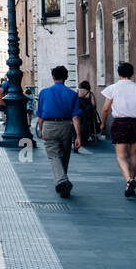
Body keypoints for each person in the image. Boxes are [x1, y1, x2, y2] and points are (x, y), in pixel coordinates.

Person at [101, 62, 136, 197]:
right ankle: (130, 182)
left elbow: (106, 108)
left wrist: (103, 123)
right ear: (132, 73)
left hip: (120, 123)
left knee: (121, 155)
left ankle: (129, 180)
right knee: (134, 155)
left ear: (118, 74)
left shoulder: (112, 88)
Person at [35, 65, 83, 199]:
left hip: (49, 125)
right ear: (66, 78)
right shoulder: (72, 94)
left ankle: (62, 181)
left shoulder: (44, 93)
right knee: (64, 155)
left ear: (53, 77)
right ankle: (62, 183)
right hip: (66, 125)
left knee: (54, 155)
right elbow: (75, 117)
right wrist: (78, 136)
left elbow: (40, 115)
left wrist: (40, 128)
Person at [76, 80, 101, 145]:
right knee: (88, 124)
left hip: (79, 111)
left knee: (79, 123)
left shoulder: (77, 91)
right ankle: (86, 137)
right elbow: (93, 104)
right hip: (87, 112)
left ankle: (78, 137)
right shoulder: (90, 93)